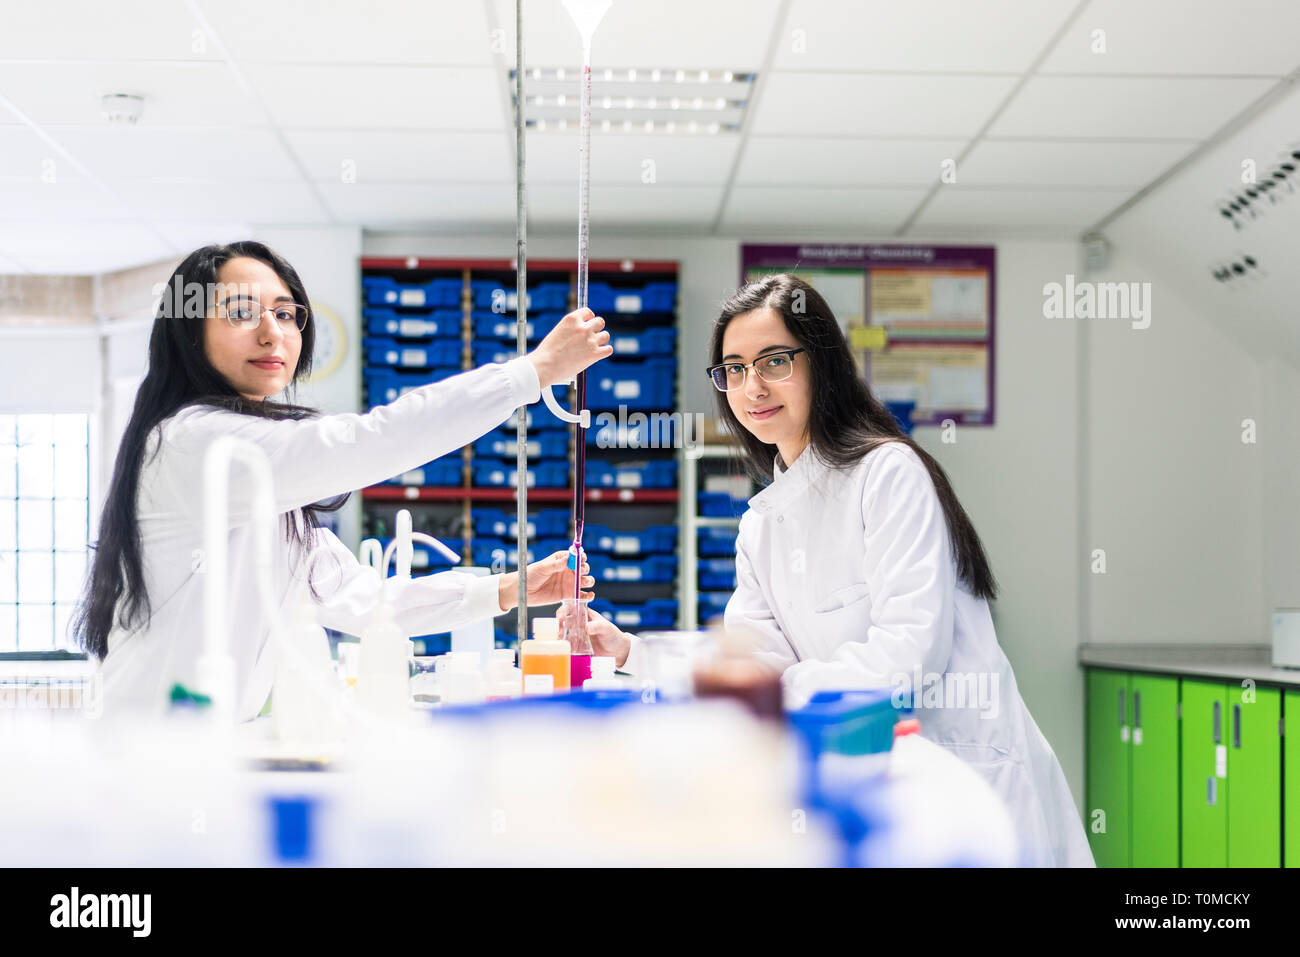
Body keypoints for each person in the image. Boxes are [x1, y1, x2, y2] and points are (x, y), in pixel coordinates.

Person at [586, 273, 1094, 867]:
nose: (752, 386)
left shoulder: (888, 473)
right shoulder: (762, 524)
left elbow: (908, 660)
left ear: (821, 362)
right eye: (734, 368)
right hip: (869, 786)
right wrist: (630, 653)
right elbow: (751, 663)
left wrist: (779, 691)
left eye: (774, 360)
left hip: (957, 777)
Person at [73, 241, 611, 721]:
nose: (272, 332)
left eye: (286, 314)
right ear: (189, 333)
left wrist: (506, 589)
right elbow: (370, 443)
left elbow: (365, 600)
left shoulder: (260, 467)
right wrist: (531, 373)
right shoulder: (195, 443)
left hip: (199, 746)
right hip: (146, 746)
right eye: (242, 313)